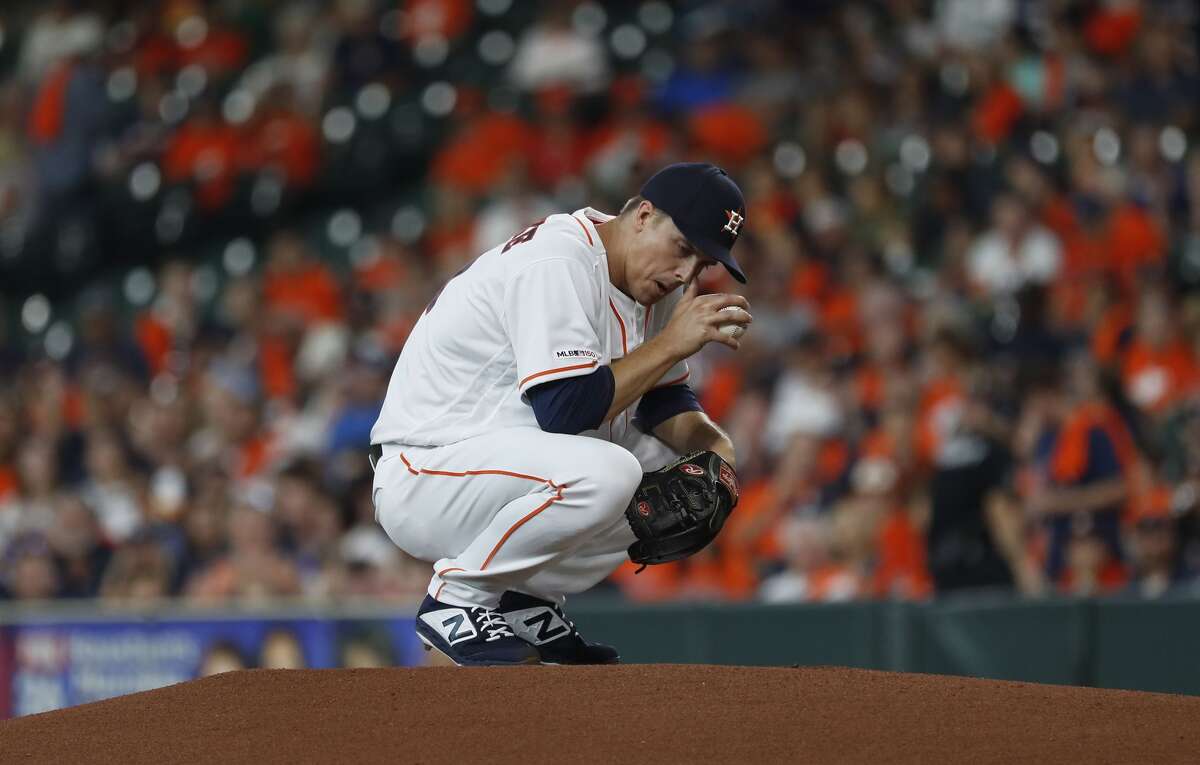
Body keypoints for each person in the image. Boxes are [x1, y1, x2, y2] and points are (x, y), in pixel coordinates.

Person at [369, 162, 751, 665]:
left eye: (702, 264)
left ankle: (524, 598)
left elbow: (664, 401)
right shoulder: (559, 259)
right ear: (641, 215)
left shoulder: (651, 284)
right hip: (427, 471)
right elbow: (565, 411)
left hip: (501, 469)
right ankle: (457, 600)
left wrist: (718, 453)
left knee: (675, 474)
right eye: (683, 249)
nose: (686, 274)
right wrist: (672, 343)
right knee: (611, 471)